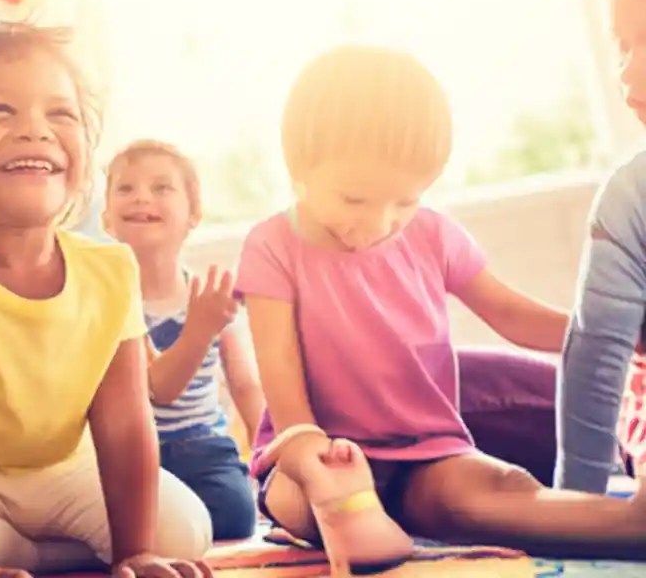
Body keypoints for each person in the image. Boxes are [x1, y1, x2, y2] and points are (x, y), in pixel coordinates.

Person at [239, 45, 646, 574]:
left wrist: (619, 335)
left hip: (425, 454)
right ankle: (347, 510)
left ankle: (631, 524)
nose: (380, 223)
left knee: (497, 491)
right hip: (311, 455)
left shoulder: (434, 236)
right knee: (301, 495)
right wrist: (318, 460)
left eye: (404, 201)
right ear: (299, 170)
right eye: (355, 199)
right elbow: (286, 397)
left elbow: (511, 315)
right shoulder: (271, 246)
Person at [0, 24, 212, 578]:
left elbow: (124, 421)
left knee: (184, 529)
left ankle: (25, 555)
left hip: (70, 472)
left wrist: (135, 552)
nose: (35, 131)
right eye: (1, 111)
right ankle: (25, 557)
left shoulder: (111, 268)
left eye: (62, 114)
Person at [101, 139, 262, 540]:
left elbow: (245, 385)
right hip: (128, 449)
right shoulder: (105, 297)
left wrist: (271, 458)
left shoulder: (208, 295)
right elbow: (157, 390)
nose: (141, 197)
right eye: (125, 188)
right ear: (106, 218)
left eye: (161, 188)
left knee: (235, 514)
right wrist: (199, 330)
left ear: (194, 215)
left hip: (201, 446)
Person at [557, 0, 646, 495]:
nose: (628, 74)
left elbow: (594, 364)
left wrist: (576, 506)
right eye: (622, 45)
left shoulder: (632, 195)